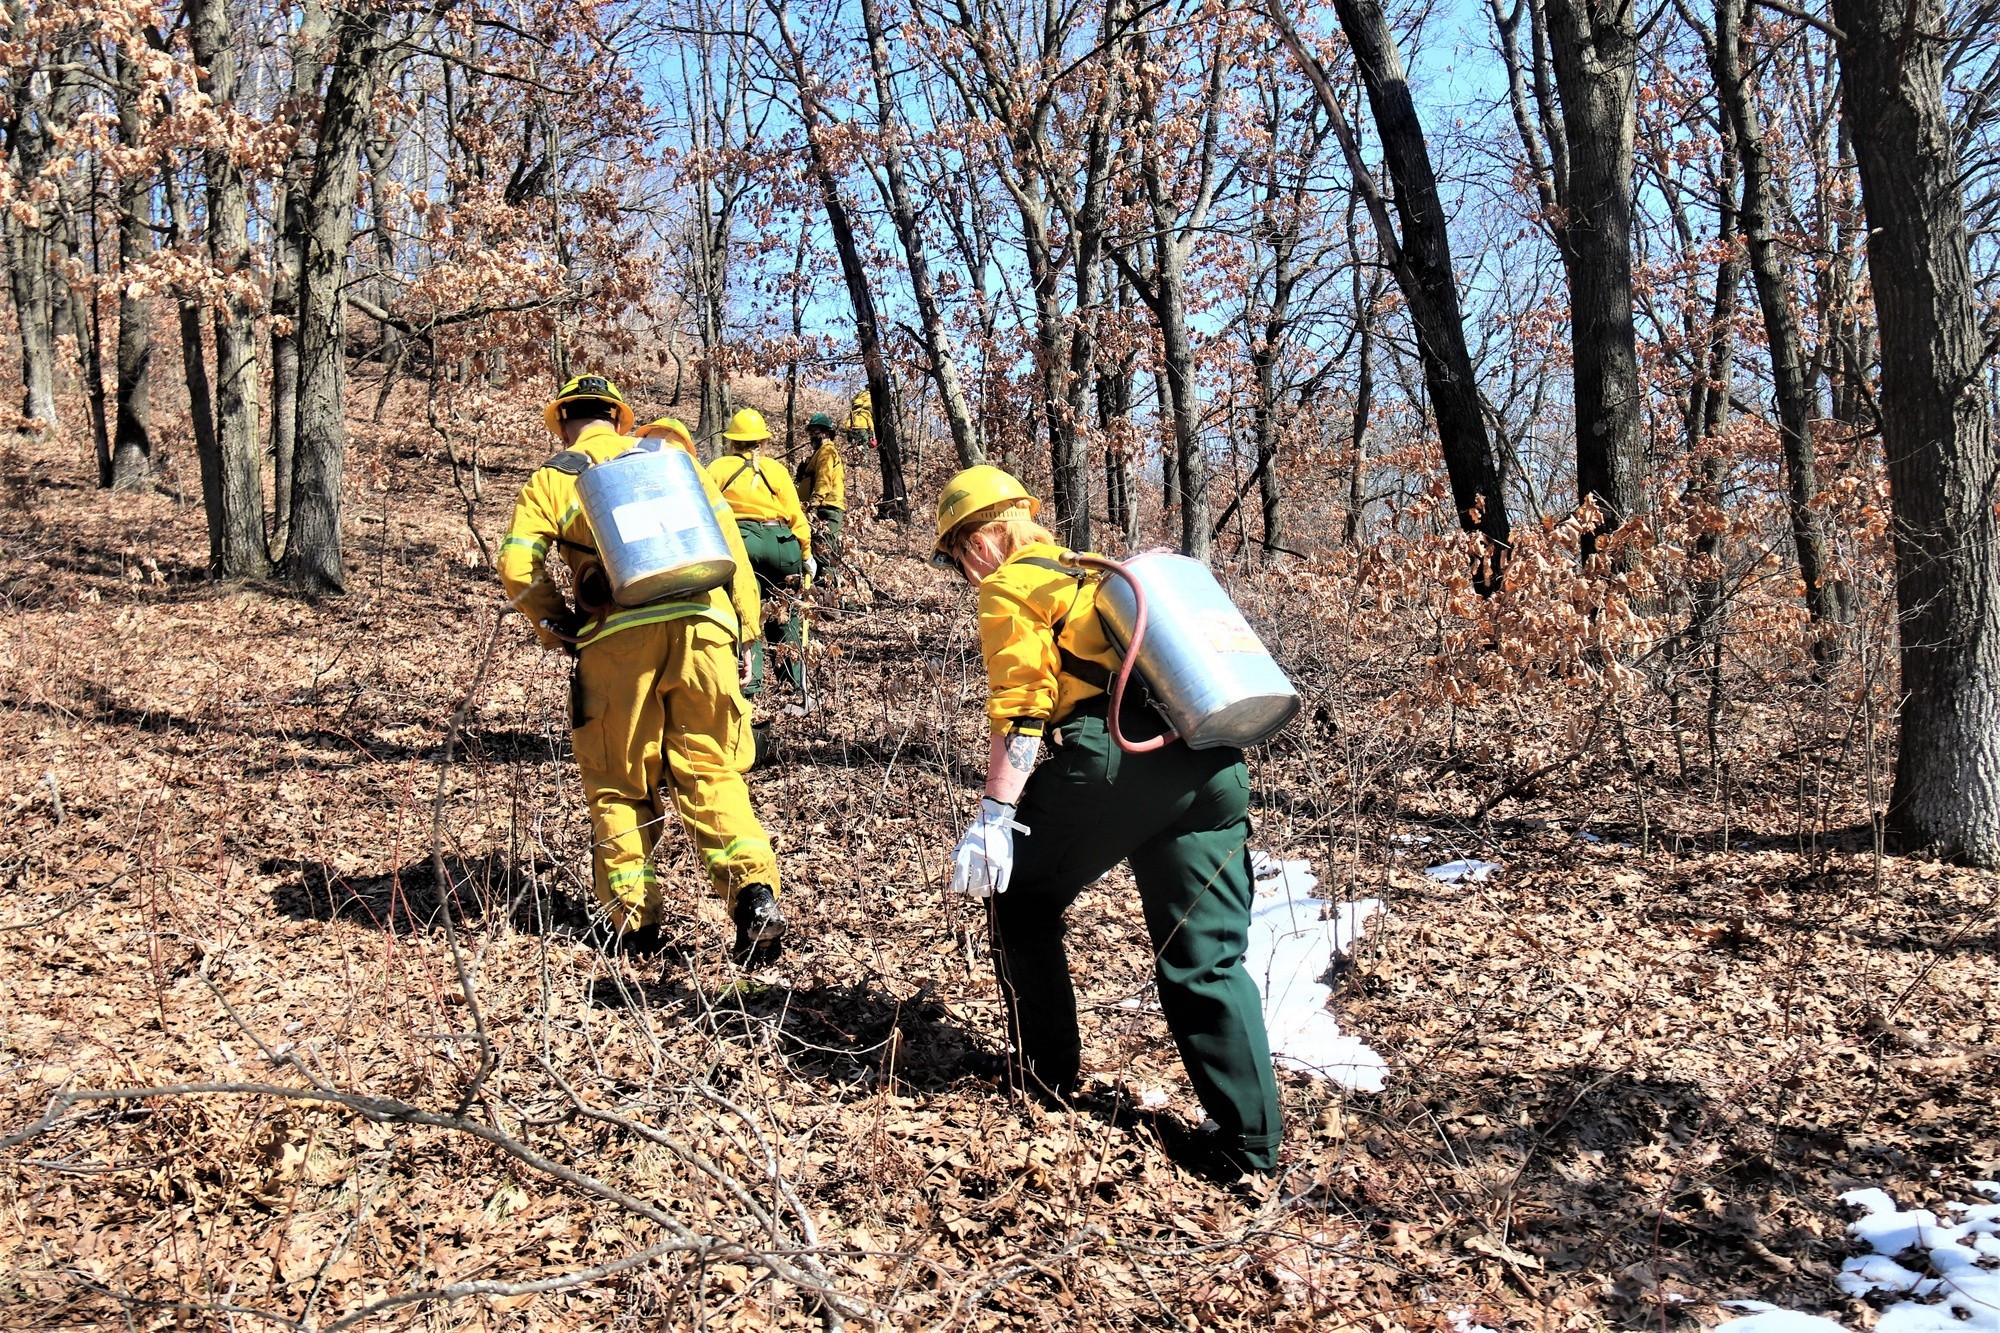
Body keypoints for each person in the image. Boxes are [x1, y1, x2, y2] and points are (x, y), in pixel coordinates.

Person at [932, 465, 1283, 1179]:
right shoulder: (1095, 575)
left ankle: (1044, 1077)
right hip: (1209, 760)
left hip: (1115, 758)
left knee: (1019, 899)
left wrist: (996, 814)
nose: (962, 569)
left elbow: (1023, 704)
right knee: (1206, 957)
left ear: (980, 540)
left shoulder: (1012, 585)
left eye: (956, 552)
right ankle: (1250, 1147)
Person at [498, 376, 786, 963]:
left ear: (562, 424)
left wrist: (555, 623)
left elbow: (517, 561)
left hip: (616, 636)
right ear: (620, 419)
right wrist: (747, 629)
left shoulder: (553, 478)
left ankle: (634, 924)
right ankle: (753, 891)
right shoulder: (673, 459)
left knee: (617, 778)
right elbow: (730, 545)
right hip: (705, 625)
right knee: (711, 764)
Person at [707, 408, 813, 698]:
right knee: (785, 612)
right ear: (762, 442)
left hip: (741, 543)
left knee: (745, 609)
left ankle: (749, 685)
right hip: (782, 542)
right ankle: (793, 687)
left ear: (732, 441)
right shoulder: (775, 470)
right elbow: (796, 516)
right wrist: (806, 554)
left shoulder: (718, 468)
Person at [795, 412, 846, 570]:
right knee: (815, 551)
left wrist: (813, 505)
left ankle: (827, 589)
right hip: (820, 508)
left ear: (825, 433)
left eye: (814, 432)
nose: (811, 436)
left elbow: (824, 480)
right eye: (810, 433)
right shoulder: (819, 453)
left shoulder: (827, 451)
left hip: (826, 510)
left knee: (822, 553)